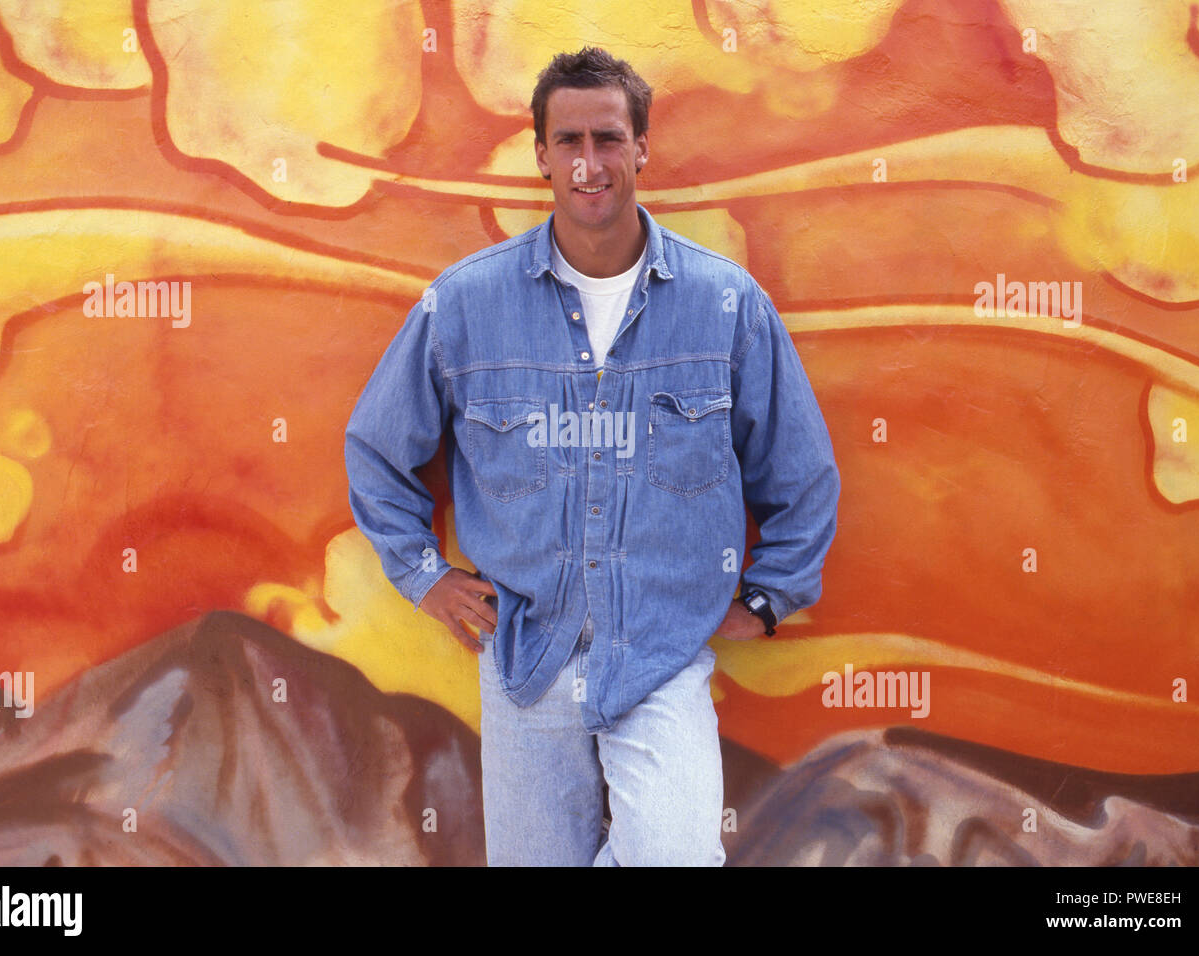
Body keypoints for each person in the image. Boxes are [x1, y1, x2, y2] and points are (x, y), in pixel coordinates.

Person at [344, 46, 840, 866]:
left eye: (608, 139)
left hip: (661, 650)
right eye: (567, 141)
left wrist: (768, 598)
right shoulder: (468, 303)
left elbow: (801, 469)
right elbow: (376, 447)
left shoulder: (723, 304)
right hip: (527, 654)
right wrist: (423, 575)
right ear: (540, 154)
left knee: (678, 856)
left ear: (642, 147)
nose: (589, 163)